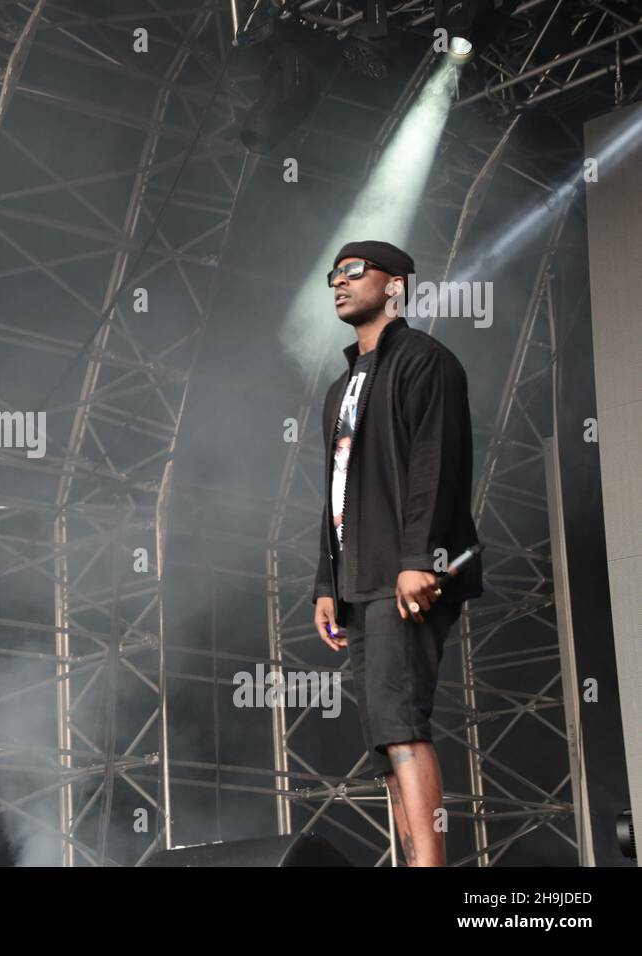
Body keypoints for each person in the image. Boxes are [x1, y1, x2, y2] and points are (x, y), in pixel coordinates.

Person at [312, 240, 483, 866]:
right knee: (385, 741)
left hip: (406, 572)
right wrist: (325, 584)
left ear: (395, 285)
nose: (339, 282)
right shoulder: (341, 387)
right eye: (333, 274)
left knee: (403, 725)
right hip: (359, 581)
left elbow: (435, 467)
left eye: (354, 271)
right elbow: (336, 490)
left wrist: (420, 559)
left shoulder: (425, 361)